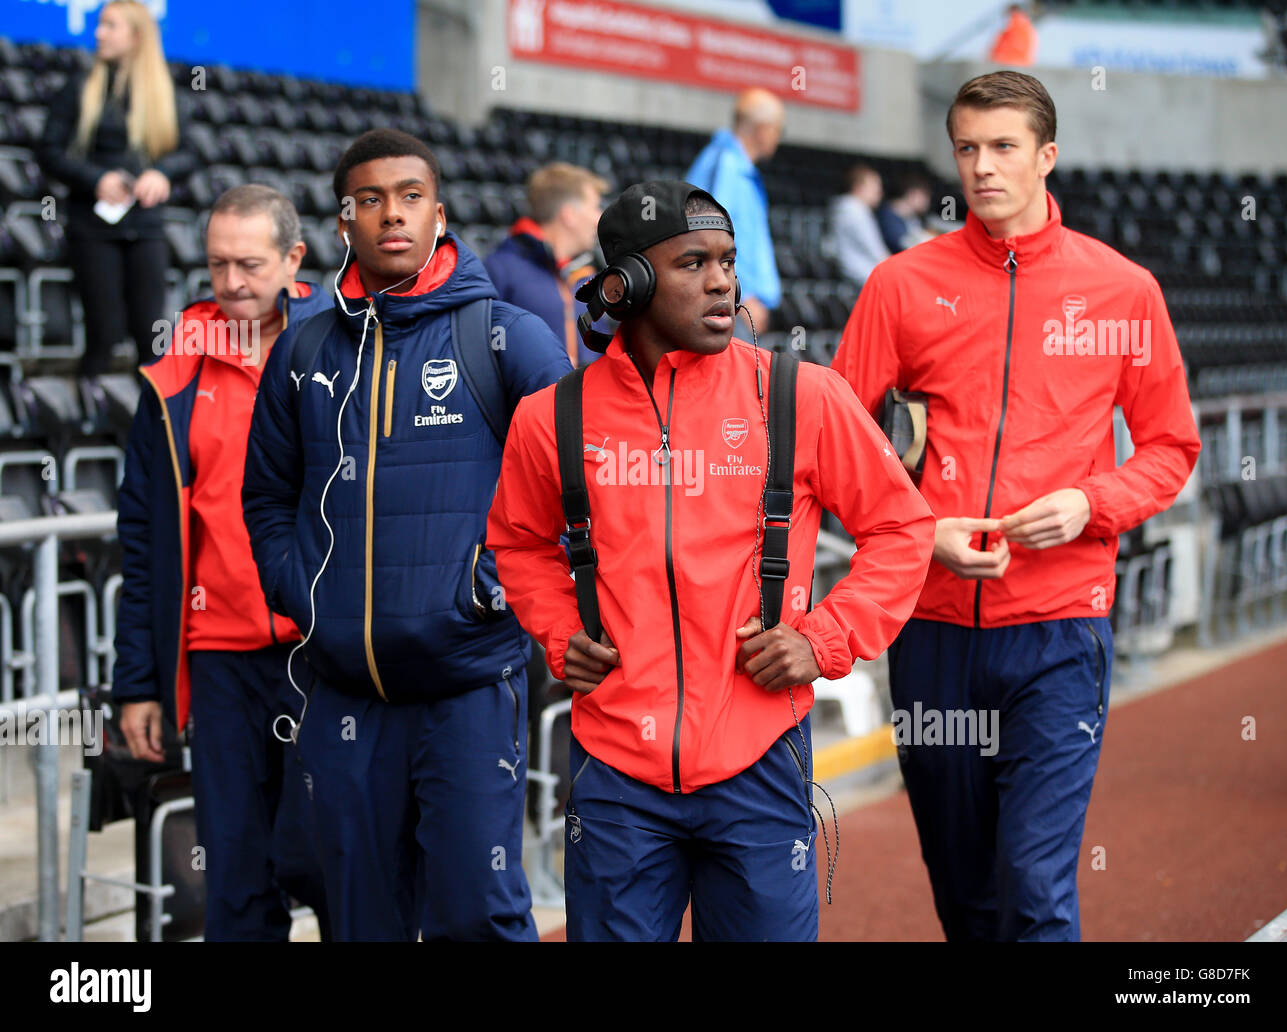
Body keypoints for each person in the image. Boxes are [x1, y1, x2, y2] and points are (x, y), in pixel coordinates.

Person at [486, 180, 935, 941]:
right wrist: (562, 633)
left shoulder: (801, 395)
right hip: (616, 773)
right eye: (694, 262)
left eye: (727, 260)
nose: (723, 279)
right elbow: (519, 544)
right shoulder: (552, 416)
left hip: (759, 765)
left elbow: (901, 528)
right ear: (627, 283)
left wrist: (825, 639)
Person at [832, 71, 1201, 941]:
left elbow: (1170, 447)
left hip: (1060, 631)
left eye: (1003, 148)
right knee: (967, 900)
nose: (983, 168)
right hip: (933, 634)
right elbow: (833, 444)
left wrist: (1091, 500)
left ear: (1048, 157)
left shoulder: (1122, 292)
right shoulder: (900, 285)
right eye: (967, 148)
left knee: (1034, 889)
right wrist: (922, 533)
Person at [242, 129, 573, 942]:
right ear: (343, 221)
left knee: (479, 919)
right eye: (369, 199)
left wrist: (496, 584)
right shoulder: (304, 348)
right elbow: (266, 497)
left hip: (467, 689)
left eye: (410, 195)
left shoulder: (505, 337)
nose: (392, 213)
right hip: (344, 695)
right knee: (360, 924)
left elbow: (582, 487)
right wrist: (305, 593)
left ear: (440, 212)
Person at [113, 185, 333, 941]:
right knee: (237, 882)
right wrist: (138, 683)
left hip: (324, 652)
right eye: (217, 265)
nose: (233, 282)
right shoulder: (174, 376)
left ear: (294, 259)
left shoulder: (340, 349)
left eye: (250, 264)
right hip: (220, 663)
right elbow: (142, 538)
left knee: (334, 865)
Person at [36, 0, 195, 377]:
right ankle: (89, 419)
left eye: (109, 26)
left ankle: (152, 427)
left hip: (146, 227)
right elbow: (48, 152)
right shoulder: (79, 87)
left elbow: (188, 153)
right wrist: (96, 180)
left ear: (136, 36)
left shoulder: (164, 92)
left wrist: (162, 173)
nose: (98, 33)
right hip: (92, 229)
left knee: (149, 334)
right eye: (100, 24)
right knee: (103, 334)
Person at [484, 162, 608, 367]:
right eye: (595, 207)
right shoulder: (501, 269)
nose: (599, 218)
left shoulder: (585, 276)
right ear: (569, 214)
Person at [685, 88, 784, 334]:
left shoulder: (734, 165)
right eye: (778, 128)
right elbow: (712, 235)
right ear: (762, 128)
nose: (778, 137)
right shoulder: (727, 165)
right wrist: (744, 296)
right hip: (732, 301)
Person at [830, 164, 890, 285]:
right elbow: (875, 250)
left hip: (859, 271)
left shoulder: (848, 208)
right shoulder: (855, 210)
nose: (879, 192)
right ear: (858, 187)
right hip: (861, 274)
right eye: (874, 186)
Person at [878, 172, 934, 254]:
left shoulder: (914, 216)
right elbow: (903, 244)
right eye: (925, 196)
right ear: (913, 193)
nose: (927, 201)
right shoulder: (889, 216)